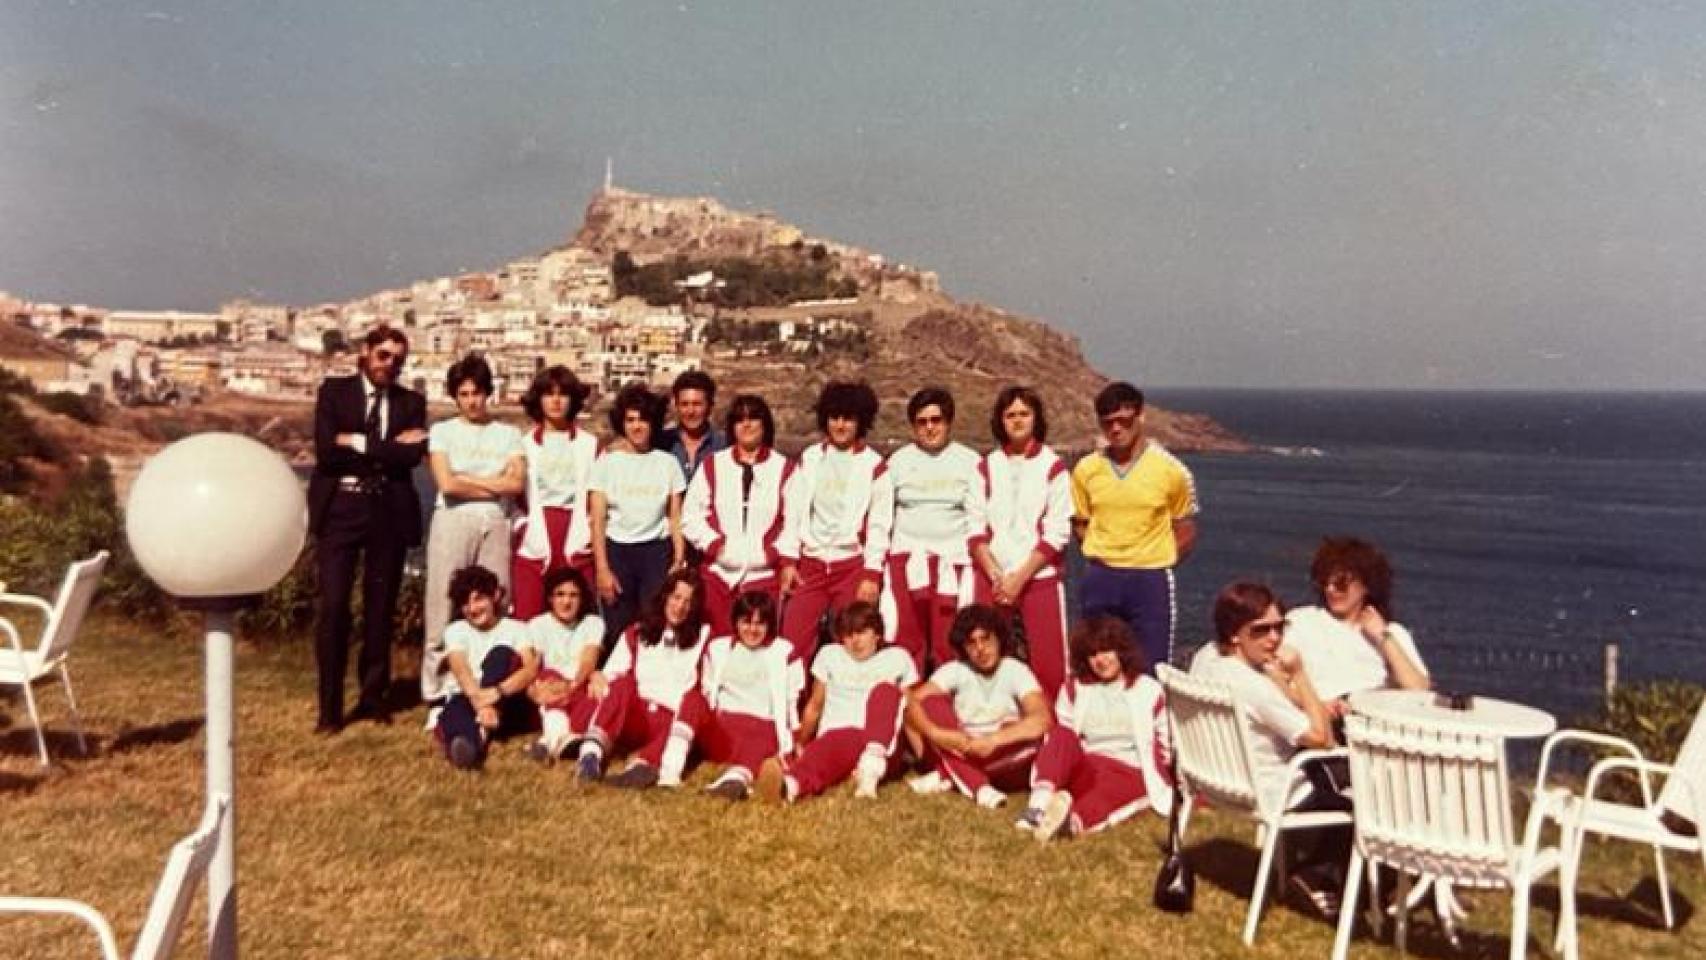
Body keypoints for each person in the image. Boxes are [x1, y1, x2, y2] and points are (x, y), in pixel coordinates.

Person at [1192, 581, 1346, 912]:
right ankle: (1318, 874)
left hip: (1222, 779)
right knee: (1355, 781)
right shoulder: (1251, 687)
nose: (1274, 638)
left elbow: (1279, 706)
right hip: (1274, 788)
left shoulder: (1207, 660)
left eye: (1279, 627)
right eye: (1261, 630)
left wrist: (1277, 678)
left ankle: (1312, 868)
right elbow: (1323, 739)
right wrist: (1300, 675)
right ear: (1235, 635)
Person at [308, 325, 428, 734]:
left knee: (380, 609)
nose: (389, 365)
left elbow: (411, 457)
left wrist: (356, 443)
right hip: (340, 508)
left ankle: (373, 698)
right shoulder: (334, 392)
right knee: (335, 609)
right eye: (383, 355)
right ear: (366, 353)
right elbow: (325, 452)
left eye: (397, 359)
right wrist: (384, 448)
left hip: (386, 510)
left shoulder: (412, 402)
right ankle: (329, 709)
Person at [1071, 381, 1199, 673]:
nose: (1116, 429)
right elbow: (1080, 522)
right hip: (1101, 578)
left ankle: (1148, 719)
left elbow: (1185, 526)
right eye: (1108, 423)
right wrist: (1100, 554)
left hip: (1149, 581)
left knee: (1150, 667)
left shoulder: (1171, 471)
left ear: (1141, 417)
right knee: (1093, 662)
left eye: (1124, 421)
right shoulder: (1086, 469)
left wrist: (1159, 559)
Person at [421, 353, 525, 703]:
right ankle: (435, 689)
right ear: (455, 396)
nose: (471, 401)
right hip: (452, 519)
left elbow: (516, 485)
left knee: (497, 597)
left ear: (488, 393)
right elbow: (447, 485)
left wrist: (470, 479)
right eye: (464, 394)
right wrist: (494, 481)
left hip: (495, 520)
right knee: (442, 601)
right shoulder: (442, 431)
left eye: (477, 393)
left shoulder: (509, 434)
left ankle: (491, 681)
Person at [1020, 617, 1173, 842]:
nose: (1100, 660)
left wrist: (1155, 772)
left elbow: (1165, 745)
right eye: (1093, 654)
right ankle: (1037, 807)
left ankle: (1070, 823)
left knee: (1104, 795)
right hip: (1089, 764)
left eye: (1106, 651)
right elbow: (1064, 740)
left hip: (1129, 769)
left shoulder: (1149, 690)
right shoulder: (1075, 688)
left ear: (1121, 651)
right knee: (1061, 735)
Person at [776, 381, 893, 664]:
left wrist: (871, 574)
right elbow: (794, 513)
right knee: (792, 644)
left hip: (850, 568)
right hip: (811, 567)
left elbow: (879, 525)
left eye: (848, 419)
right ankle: (795, 705)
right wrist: (789, 562)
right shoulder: (810, 458)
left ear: (860, 422)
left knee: (852, 645)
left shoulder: (874, 466)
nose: (840, 425)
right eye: (834, 417)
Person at [969, 385, 1074, 701]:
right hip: (992, 578)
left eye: (1024, 414)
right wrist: (997, 575)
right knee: (983, 658)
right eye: (1010, 414)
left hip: (1038, 578)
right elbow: (974, 527)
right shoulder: (986, 466)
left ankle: (1052, 737)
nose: (1017, 420)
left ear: (1036, 418)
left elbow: (1057, 532)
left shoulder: (1053, 466)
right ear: (1000, 420)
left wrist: (1020, 577)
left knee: (1050, 665)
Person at [755, 602, 917, 803]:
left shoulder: (897, 658)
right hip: (837, 739)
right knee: (827, 748)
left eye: (861, 632)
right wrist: (801, 743)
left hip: (882, 746)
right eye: (848, 635)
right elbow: (815, 706)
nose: (855, 641)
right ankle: (789, 787)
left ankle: (869, 767)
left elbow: (913, 712)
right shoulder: (831, 655)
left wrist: (922, 757)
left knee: (885, 691)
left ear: (877, 634)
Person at [905, 605, 1052, 809]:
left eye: (986, 639)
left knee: (1037, 736)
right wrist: (937, 734)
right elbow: (910, 702)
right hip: (963, 747)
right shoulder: (956, 670)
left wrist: (994, 740)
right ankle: (979, 787)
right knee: (930, 703)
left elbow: (1041, 720)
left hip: (1003, 754)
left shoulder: (1015, 669)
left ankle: (948, 774)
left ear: (999, 639)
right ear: (963, 647)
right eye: (971, 643)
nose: (980, 649)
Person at [574, 570, 710, 787]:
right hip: (637, 716)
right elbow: (612, 673)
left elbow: (708, 688)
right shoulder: (637, 632)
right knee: (622, 684)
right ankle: (590, 755)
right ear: (665, 596)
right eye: (676, 597)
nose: (680, 606)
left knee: (691, 705)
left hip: (670, 719)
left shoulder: (703, 637)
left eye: (688, 601)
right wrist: (598, 676)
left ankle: (643, 766)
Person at [884, 387, 986, 674]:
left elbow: (980, 515)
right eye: (922, 422)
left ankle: (948, 708)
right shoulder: (897, 462)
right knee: (907, 643)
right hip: (906, 561)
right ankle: (907, 711)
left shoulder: (971, 462)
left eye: (936, 420)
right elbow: (881, 515)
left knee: (949, 644)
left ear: (948, 421)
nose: (929, 428)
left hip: (952, 563)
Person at [675, 591, 806, 800]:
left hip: (762, 726)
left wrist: (796, 740)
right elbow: (708, 692)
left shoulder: (784, 652)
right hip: (723, 727)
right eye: (746, 622)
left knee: (759, 739)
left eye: (760, 624)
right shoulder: (718, 648)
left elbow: (791, 705)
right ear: (736, 622)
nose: (752, 630)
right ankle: (670, 771)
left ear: (769, 625)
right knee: (692, 699)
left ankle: (735, 780)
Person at [683, 394, 794, 637]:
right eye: (740, 419)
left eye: (754, 418)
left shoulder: (784, 468)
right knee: (717, 646)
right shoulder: (713, 465)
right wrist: (716, 547)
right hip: (719, 576)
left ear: (765, 425)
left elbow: (794, 522)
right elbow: (691, 517)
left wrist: (773, 553)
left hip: (764, 577)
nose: (747, 424)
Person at [589, 383, 687, 649]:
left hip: (656, 553)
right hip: (618, 552)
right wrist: (602, 569)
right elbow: (598, 521)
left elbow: (675, 516)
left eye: (643, 419)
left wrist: (679, 556)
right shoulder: (607, 463)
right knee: (618, 628)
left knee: (654, 623)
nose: (637, 426)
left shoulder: (667, 463)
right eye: (630, 420)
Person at [1283, 536, 1429, 709]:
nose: (1330, 590)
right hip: (1321, 717)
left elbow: (1420, 692)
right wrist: (1319, 707)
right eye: (1324, 582)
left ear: (1366, 585)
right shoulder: (1301, 622)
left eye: (1340, 584)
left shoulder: (1392, 632)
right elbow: (1277, 678)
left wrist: (1383, 638)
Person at [511, 365, 599, 622]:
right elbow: (514, 497)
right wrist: (522, 527)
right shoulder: (523, 445)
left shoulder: (589, 444)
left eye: (563, 394)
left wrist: (592, 531)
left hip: (575, 533)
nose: (556, 401)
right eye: (549, 394)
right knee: (528, 616)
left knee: (578, 617)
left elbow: (597, 496)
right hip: (536, 535)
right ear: (539, 399)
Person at [435, 565, 540, 770]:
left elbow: (530, 669)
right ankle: (471, 743)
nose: (472, 609)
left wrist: (496, 693)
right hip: (471, 696)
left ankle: (477, 731)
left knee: (500, 654)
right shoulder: (456, 630)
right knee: (454, 710)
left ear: (495, 596)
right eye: (465, 603)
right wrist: (481, 704)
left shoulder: (517, 628)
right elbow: (460, 669)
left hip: (506, 698)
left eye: (479, 599)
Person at [525, 567, 606, 763]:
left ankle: (548, 743)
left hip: (578, 685)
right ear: (550, 598)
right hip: (548, 688)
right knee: (549, 675)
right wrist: (537, 691)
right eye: (560, 595)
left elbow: (588, 661)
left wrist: (572, 686)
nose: (566, 602)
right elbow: (533, 667)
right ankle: (563, 741)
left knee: (597, 690)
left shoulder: (592, 623)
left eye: (573, 595)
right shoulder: (537, 625)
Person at [656, 369, 728, 485]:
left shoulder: (724, 446)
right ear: (676, 406)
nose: (690, 411)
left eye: (697, 404)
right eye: (684, 404)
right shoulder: (661, 444)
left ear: (710, 405)